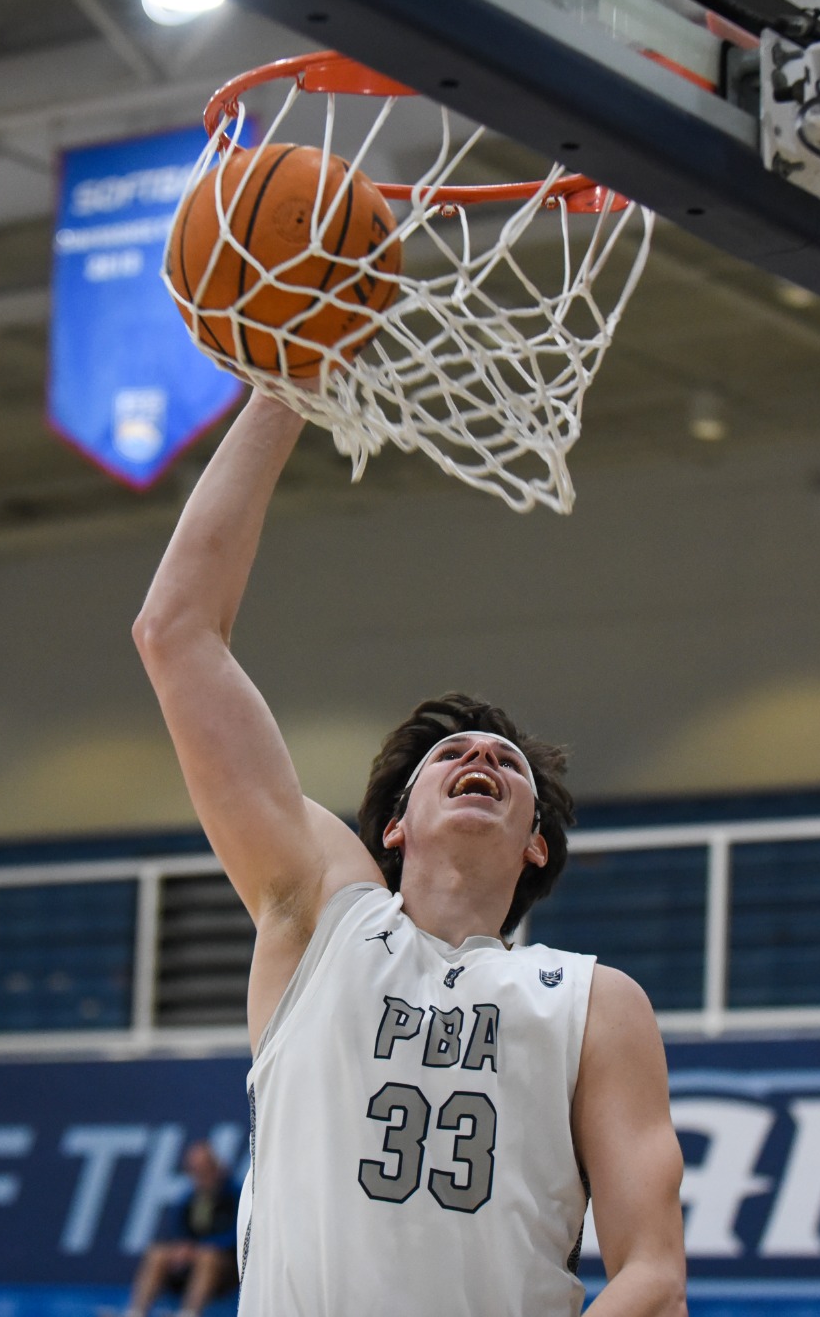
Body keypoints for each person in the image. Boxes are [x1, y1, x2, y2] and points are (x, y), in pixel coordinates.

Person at [133, 388, 688, 1316]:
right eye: (451, 756)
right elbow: (175, 634)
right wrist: (285, 386)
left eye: (505, 762)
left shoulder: (596, 1003)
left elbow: (654, 1276)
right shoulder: (322, 910)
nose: (479, 756)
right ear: (392, 824)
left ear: (535, 841)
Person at [122, 1140, 241, 1317]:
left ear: (215, 1166)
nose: (200, 1175)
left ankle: (189, 1312)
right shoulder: (189, 1198)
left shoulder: (235, 1194)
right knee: (157, 1253)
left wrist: (200, 1248)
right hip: (191, 1260)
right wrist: (181, 1248)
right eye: (195, 1170)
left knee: (208, 1256)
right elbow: (177, 1232)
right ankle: (136, 1311)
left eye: (204, 1168)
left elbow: (238, 1234)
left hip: (226, 1265)